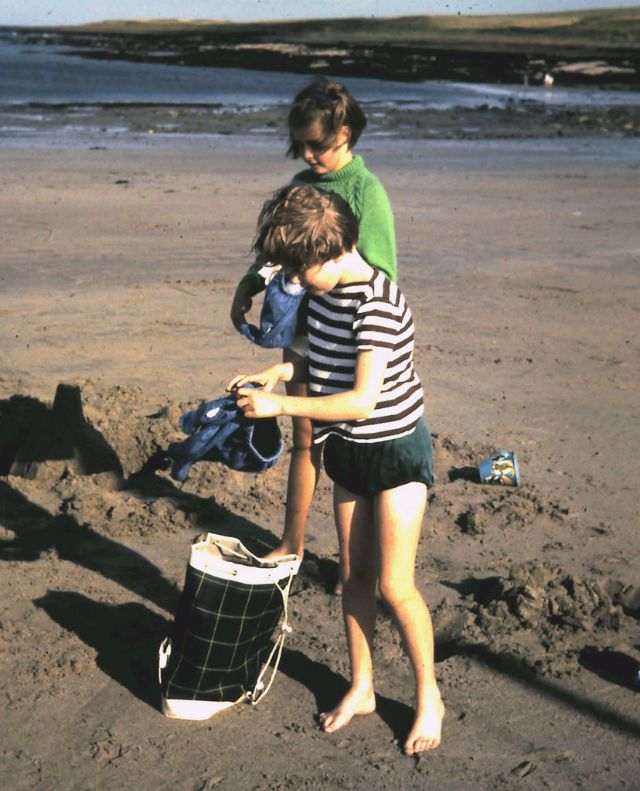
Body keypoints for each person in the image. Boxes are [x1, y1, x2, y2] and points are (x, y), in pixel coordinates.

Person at [228, 184, 443, 755]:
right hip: (347, 452)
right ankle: (363, 686)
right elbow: (315, 358)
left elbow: (362, 401)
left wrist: (281, 407)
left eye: (298, 269)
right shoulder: (322, 294)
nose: (292, 280)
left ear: (332, 252)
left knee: (395, 585)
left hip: (395, 453)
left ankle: (428, 696)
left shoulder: (377, 303)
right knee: (354, 578)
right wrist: (278, 375)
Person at [229, 79, 397, 586]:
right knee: (304, 441)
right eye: (298, 144)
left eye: (315, 145)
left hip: (348, 337)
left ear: (344, 133)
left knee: (348, 444)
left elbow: (382, 277)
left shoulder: (367, 193)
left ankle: (355, 561)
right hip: (303, 334)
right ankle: (291, 542)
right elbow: (276, 250)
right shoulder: (302, 185)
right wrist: (249, 283)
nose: (305, 154)